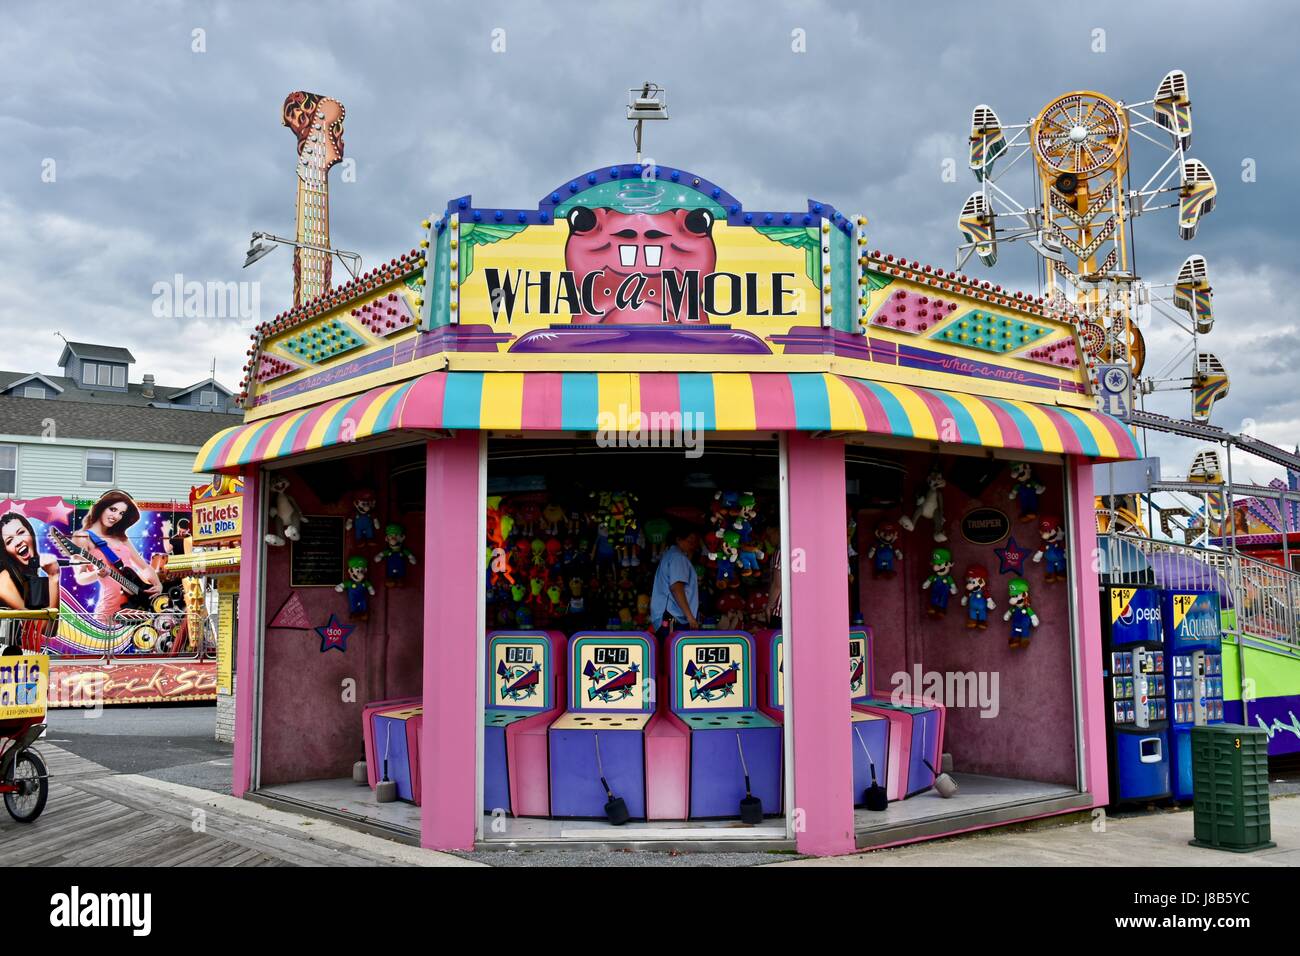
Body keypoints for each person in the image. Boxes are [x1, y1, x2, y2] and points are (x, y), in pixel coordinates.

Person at [72, 490, 162, 625]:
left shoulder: (121, 537)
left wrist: (158, 584)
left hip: (136, 609)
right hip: (109, 612)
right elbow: (80, 578)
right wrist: (97, 573)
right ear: (101, 507)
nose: (116, 516)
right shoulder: (83, 537)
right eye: (112, 509)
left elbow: (143, 566)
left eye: (121, 513)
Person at [650, 524, 702, 640]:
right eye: (690, 541)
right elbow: (676, 587)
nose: (693, 545)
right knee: (675, 654)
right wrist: (690, 618)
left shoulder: (670, 555)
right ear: (678, 539)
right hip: (673, 618)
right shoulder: (678, 558)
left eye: (695, 542)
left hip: (666, 618)